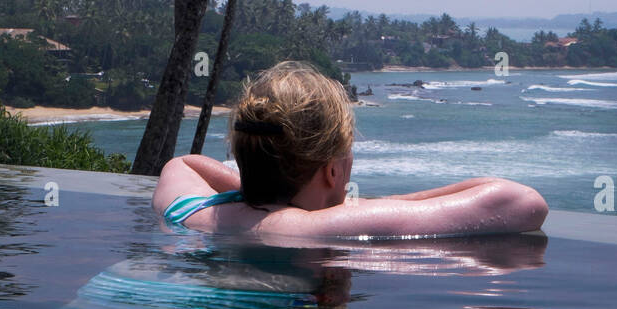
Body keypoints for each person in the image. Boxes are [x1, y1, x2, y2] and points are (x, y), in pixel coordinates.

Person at [153, 61, 548, 237]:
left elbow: (186, 163)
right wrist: (385, 203)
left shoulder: (189, 210)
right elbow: (524, 203)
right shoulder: (306, 228)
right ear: (331, 171)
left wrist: (257, 185)